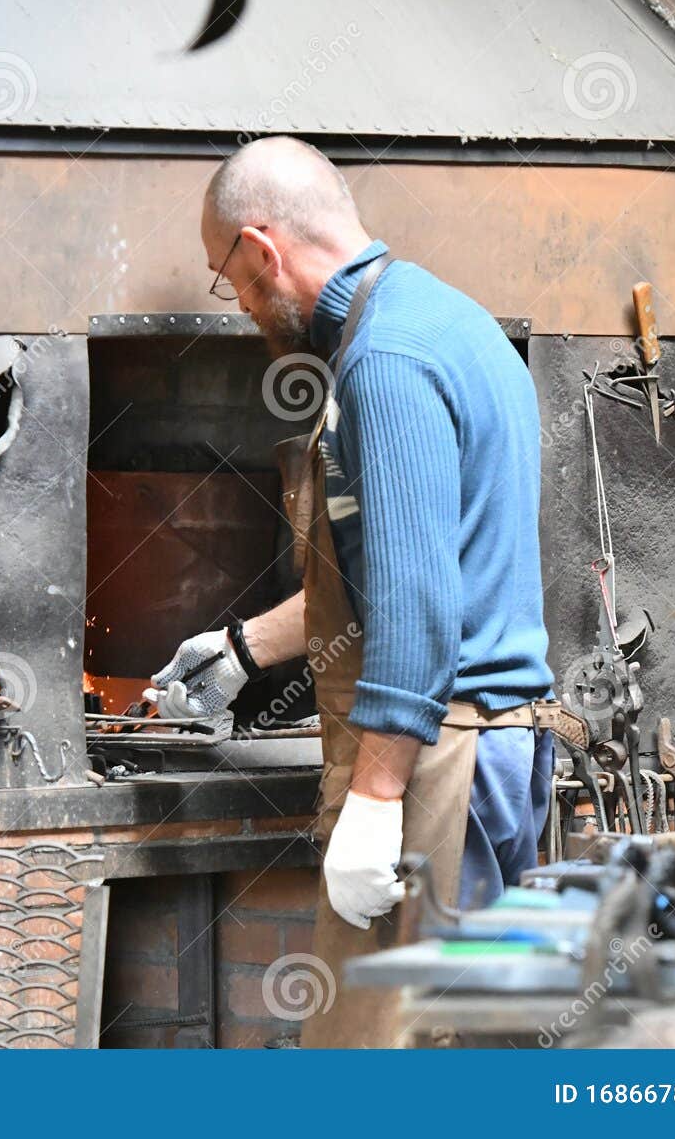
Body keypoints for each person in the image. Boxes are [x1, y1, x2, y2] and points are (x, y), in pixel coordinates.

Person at [145, 136, 557, 1046]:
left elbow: (417, 603)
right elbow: (405, 571)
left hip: (439, 764)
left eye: (230, 279)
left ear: (262, 248)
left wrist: (372, 803)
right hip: (486, 746)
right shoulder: (447, 321)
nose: (241, 304)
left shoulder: (386, 359)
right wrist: (242, 650)